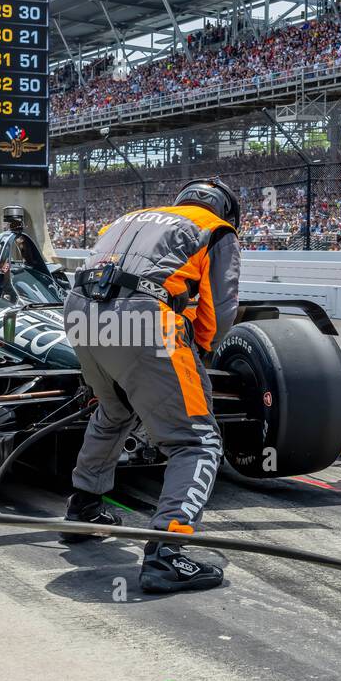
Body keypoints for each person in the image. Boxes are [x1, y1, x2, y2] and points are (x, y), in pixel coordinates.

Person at [62, 176, 241, 594]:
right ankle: (167, 550)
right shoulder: (216, 229)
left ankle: (83, 508)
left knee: (115, 411)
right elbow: (221, 309)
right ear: (225, 210)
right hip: (142, 317)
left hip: (79, 314)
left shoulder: (129, 218)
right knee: (196, 440)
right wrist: (201, 353)